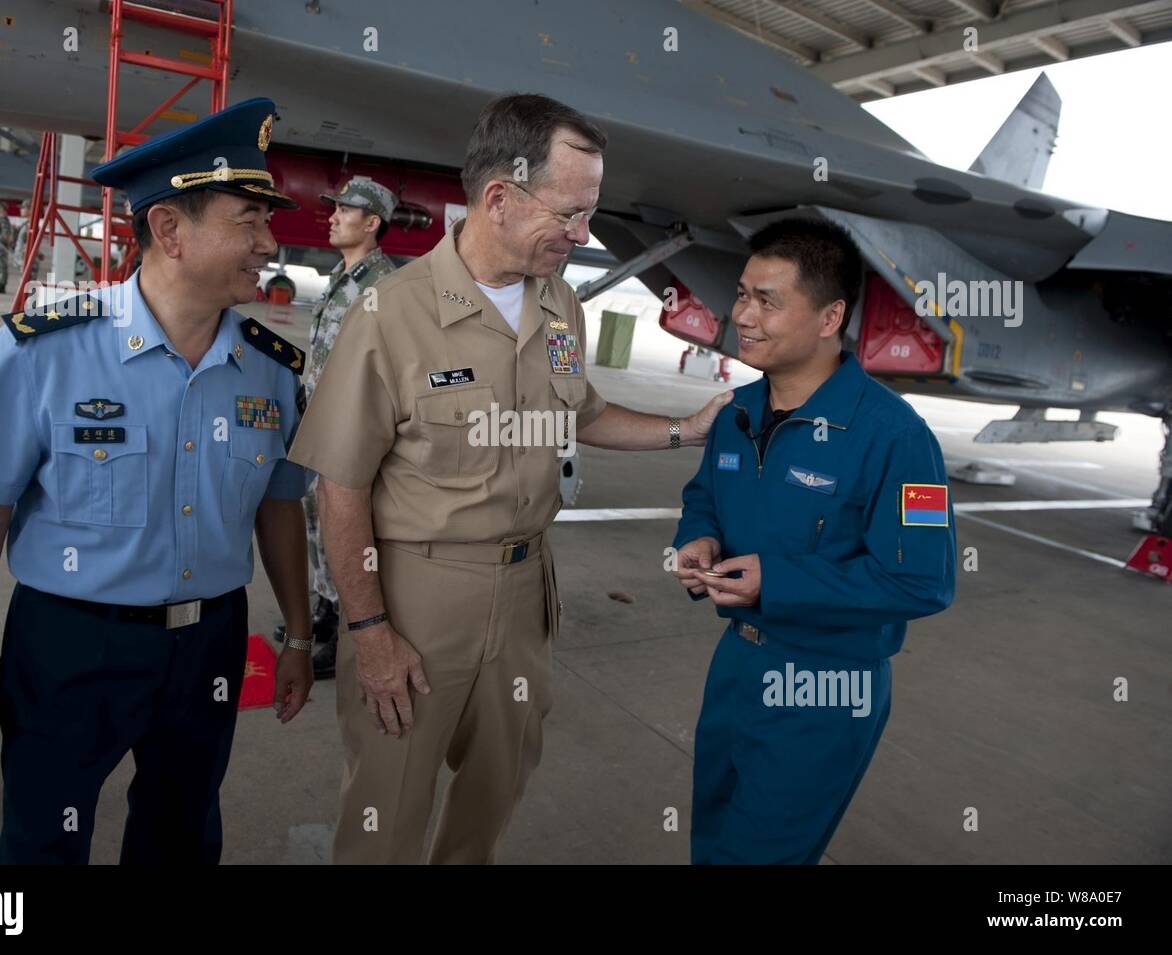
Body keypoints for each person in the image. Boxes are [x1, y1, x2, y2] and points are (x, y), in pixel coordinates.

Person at [290, 92, 731, 864]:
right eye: (569, 213)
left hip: (528, 592)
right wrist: (370, 632)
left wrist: (682, 430)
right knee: (387, 811)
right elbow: (340, 486)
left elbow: (578, 409)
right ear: (499, 197)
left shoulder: (560, 302)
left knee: (494, 793)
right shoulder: (389, 315)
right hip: (418, 598)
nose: (582, 232)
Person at [0, 97, 314, 864]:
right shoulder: (48, 349)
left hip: (210, 643)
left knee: (182, 833)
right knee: (42, 841)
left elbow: (279, 503)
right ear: (169, 229)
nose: (270, 242)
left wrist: (296, 633)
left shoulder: (271, 368)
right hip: (71, 643)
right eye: (248, 220)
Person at [670, 218, 957, 864]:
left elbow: (923, 580)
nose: (741, 314)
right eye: (742, 292)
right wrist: (699, 538)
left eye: (766, 301)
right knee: (711, 843)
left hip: (824, 688)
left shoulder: (900, 439)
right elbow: (704, 497)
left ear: (830, 317)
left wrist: (779, 580)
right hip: (735, 666)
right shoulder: (737, 412)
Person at [276, 176, 396, 680]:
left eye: (345, 210)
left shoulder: (383, 286)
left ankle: (349, 625)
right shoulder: (342, 279)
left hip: (350, 432)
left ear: (371, 223)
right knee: (315, 520)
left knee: (344, 527)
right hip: (319, 426)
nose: (332, 216)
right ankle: (325, 614)